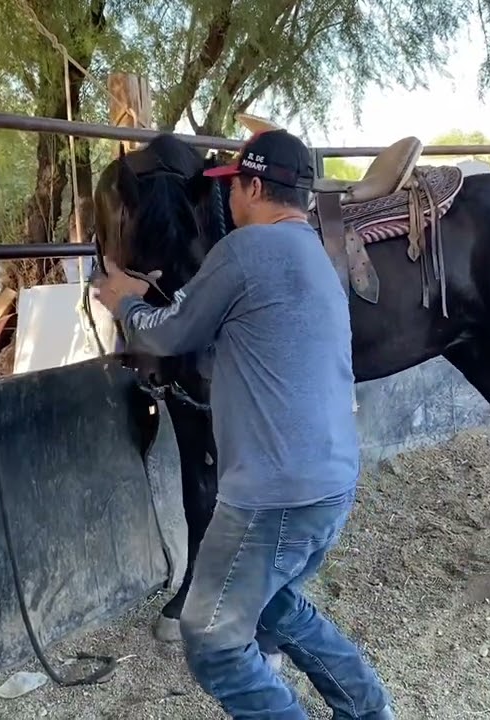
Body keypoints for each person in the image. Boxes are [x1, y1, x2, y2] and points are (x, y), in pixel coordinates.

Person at [92, 129, 394, 719]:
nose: (226, 199)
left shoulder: (244, 250)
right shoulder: (315, 253)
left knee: (212, 640)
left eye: (232, 187)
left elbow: (167, 333)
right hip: (330, 484)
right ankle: (367, 711)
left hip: (271, 494)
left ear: (254, 188)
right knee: (275, 604)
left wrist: (125, 300)